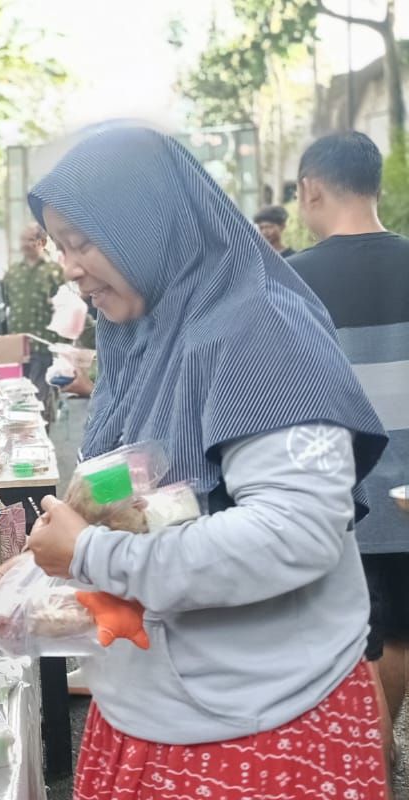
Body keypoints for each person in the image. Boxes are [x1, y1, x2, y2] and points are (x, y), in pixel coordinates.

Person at [13, 126, 389, 799]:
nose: (69, 267)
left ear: (146, 226)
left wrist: (93, 554)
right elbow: (149, 484)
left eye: (83, 241)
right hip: (154, 711)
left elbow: (294, 533)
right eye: (58, 245)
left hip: (258, 727)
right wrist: (50, 566)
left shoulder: (260, 328)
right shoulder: (144, 332)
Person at [291, 130, 409, 764]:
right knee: (402, 635)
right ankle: (383, 750)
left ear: (311, 189)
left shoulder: (291, 282)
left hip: (340, 496)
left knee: (355, 641)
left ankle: (373, 758)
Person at [2, 222, 64, 340]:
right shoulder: (12, 272)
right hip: (17, 341)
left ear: (43, 242)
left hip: (46, 342)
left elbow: (65, 307)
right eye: (22, 240)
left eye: (30, 240)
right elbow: (7, 301)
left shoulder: (55, 271)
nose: (25, 244)